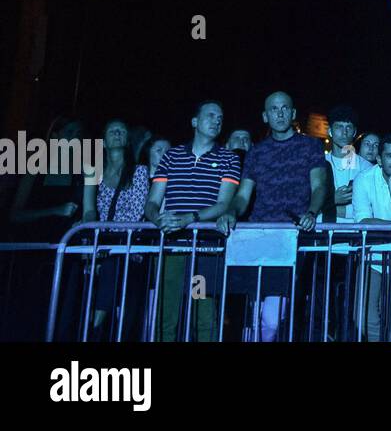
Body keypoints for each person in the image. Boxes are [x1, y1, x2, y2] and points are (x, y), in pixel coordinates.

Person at [231, 91, 329, 342]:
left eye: (285, 107)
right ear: (265, 116)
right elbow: (243, 196)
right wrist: (231, 213)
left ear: (293, 113)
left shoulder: (310, 145)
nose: (280, 112)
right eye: (274, 109)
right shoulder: (256, 152)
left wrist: (311, 212)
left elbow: (319, 186)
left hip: (289, 238)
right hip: (256, 235)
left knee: (272, 318)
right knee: (249, 313)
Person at [144, 100, 241, 342]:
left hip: (205, 250)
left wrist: (189, 219)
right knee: (166, 315)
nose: (217, 120)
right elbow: (152, 202)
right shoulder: (172, 156)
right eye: (210, 115)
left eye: (220, 117)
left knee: (204, 314)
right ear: (195, 121)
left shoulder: (228, 158)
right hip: (173, 248)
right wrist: (158, 219)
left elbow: (223, 204)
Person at [81, 118, 152, 339]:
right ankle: (90, 325)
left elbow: (136, 211)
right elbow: (89, 210)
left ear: (128, 140)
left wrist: (107, 239)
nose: (117, 133)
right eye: (112, 130)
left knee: (112, 270)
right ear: (103, 140)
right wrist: (95, 235)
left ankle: (94, 327)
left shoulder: (139, 172)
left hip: (127, 242)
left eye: (122, 130)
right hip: (99, 240)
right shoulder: (93, 171)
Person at [352, 133, 391, 342]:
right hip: (373, 257)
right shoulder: (364, 179)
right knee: (363, 318)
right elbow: (363, 222)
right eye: (389, 156)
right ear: (379, 159)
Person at [321, 105, 372, 223]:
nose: (344, 132)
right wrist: (333, 200)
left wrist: (326, 206)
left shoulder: (366, 167)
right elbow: (306, 207)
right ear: (330, 131)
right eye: (339, 127)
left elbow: (369, 210)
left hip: (356, 236)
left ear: (354, 132)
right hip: (322, 235)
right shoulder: (318, 164)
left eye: (348, 127)